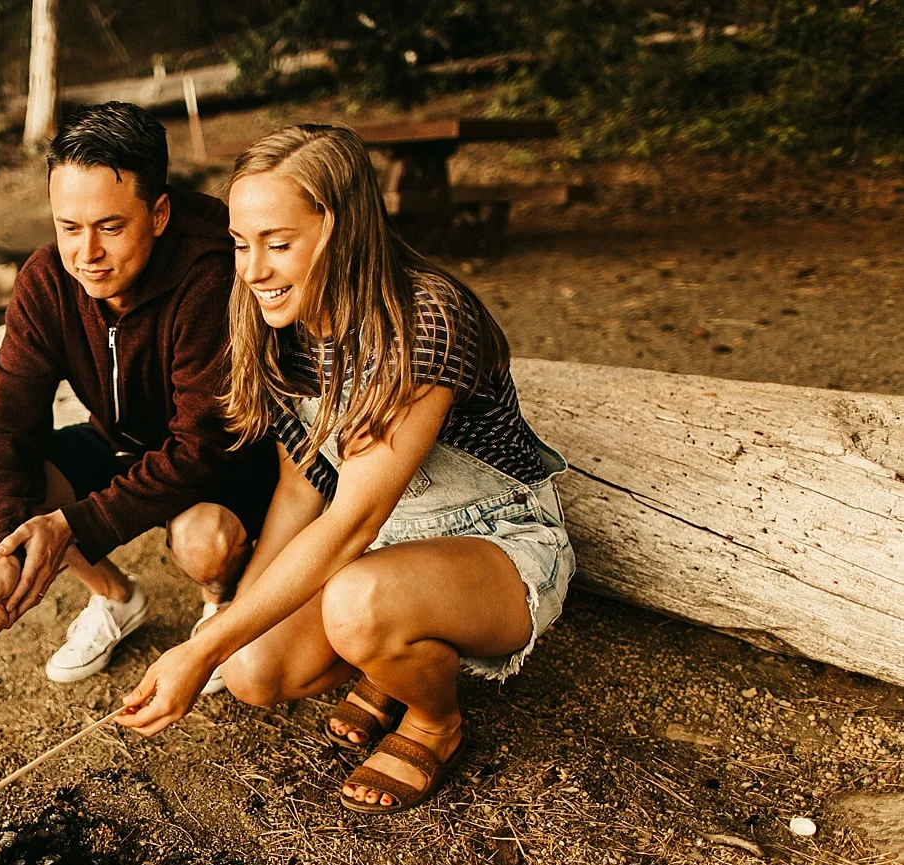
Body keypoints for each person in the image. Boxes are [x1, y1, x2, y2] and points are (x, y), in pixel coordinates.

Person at [117, 124, 575, 814]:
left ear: (343, 230)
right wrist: (235, 626)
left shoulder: (425, 318)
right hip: (374, 551)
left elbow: (355, 518)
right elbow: (305, 486)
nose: (253, 270)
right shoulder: (275, 321)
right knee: (253, 672)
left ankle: (433, 720)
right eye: (243, 244)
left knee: (357, 603)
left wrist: (201, 645)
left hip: (495, 542)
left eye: (279, 243)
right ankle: (387, 663)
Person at [0, 102, 278, 689]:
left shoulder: (211, 272)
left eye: (110, 227)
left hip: (221, 465)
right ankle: (116, 598)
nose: (87, 254)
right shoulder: (47, 279)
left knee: (203, 542)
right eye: (68, 227)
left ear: (158, 213)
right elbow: (4, 429)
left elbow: (201, 447)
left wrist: (74, 527)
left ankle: (218, 605)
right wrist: (5, 554)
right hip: (120, 441)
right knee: (14, 489)